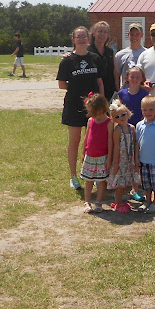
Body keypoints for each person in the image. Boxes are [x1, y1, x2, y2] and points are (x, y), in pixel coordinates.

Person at [57, 26, 102, 190]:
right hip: (74, 105)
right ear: (73, 40)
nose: (82, 39)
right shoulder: (67, 60)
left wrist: (101, 102)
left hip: (94, 106)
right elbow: (62, 84)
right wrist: (76, 87)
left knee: (92, 142)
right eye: (78, 36)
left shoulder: (95, 58)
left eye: (84, 36)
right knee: (74, 142)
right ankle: (73, 176)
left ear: (88, 39)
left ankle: (94, 175)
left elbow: (99, 82)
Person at [116, 65, 151, 203]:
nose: (135, 79)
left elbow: (150, 109)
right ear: (127, 78)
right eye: (132, 76)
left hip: (140, 130)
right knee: (124, 159)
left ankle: (135, 190)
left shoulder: (145, 94)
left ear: (142, 78)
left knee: (137, 160)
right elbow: (116, 111)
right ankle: (121, 189)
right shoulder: (122, 93)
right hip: (125, 131)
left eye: (138, 77)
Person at [79, 93, 112, 213]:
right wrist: (83, 152)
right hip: (90, 155)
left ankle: (99, 202)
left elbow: (110, 141)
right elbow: (86, 137)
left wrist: (109, 158)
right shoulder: (90, 121)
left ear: (103, 109)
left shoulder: (109, 122)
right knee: (89, 180)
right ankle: (87, 202)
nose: (94, 116)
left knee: (101, 180)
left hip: (102, 156)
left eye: (95, 113)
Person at [136, 96, 155, 213]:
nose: (147, 112)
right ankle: (147, 201)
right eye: (144, 110)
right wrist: (136, 158)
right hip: (143, 161)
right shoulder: (140, 125)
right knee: (146, 184)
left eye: (150, 110)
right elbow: (137, 142)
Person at [107, 103, 140, 213]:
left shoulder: (132, 128)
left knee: (126, 180)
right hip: (120, 160)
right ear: (114, 119)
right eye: (117, 117)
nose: (120, 118)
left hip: (129, 159)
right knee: (120, 182)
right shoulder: (117, 131)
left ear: (128, 113)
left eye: (123, 115)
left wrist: (136, 158)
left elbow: (135, 144)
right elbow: (116, 147)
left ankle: (121, 200)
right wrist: (116, 163)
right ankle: (119, 201)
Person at [88, 21, 117, 102]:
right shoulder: (88, 51)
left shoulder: (110, 52)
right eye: (100, 31)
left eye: (105, 32)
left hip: (110, 91)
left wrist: (118, 90)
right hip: (93, 93)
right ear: (93, 33)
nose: (102, 34)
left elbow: (115, 73)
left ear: (108, 35)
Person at [114, 23, 146, 90]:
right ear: (128, 35)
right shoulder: (120, 55)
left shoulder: (147, 53)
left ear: (142, 35)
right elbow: (116, 76)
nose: (134, 37)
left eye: (137, 34)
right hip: (127, 92)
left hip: (143, 92)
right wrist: (119, 91)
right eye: (132, 34)